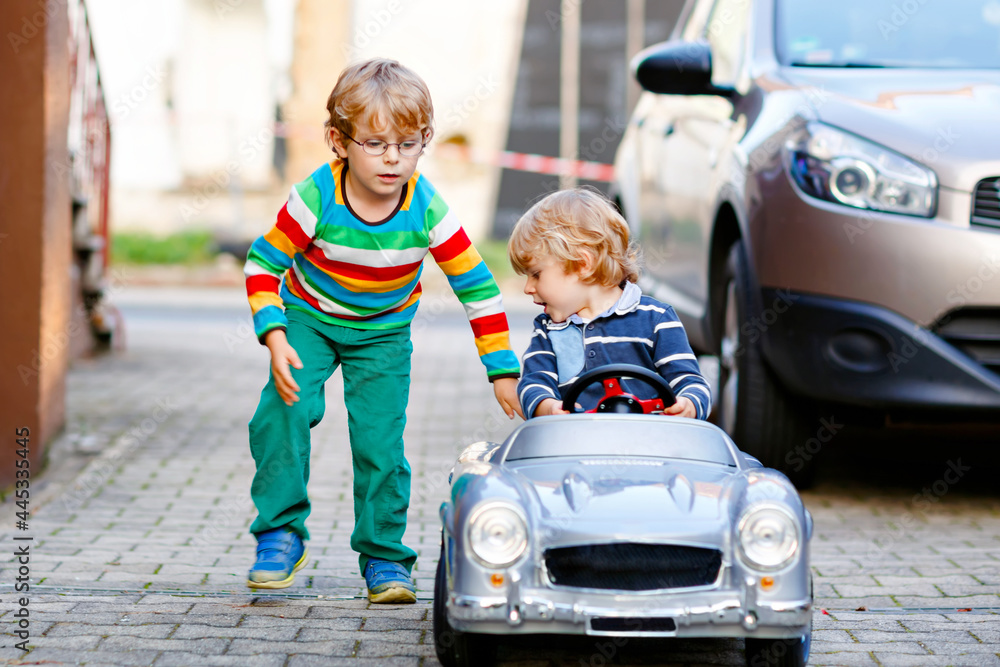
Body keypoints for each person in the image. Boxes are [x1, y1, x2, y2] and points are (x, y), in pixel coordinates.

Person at [243, 58, 522, 603]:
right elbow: (262, 265)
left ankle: (384, 558)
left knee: (380, 444)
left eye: (408, 143)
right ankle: (279, 531)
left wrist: (502, 369)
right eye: (374, 143)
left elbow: (479, 289)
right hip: (309, 319)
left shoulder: (427, 209)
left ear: (425, 141)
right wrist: (275, 335)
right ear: (338, 140)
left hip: (384, 334)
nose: (393, 157)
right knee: (282, 411)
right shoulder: (316, 198)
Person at [508, 188, 711, 419]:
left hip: (648, 445)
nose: (527, 288)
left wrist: (689, 404)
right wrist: (547, 408)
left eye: (536, 274)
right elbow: (534, 384)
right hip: (573, 444)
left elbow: (692, 382)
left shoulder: (656, 319)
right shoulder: (548, 330)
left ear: (582, 265)